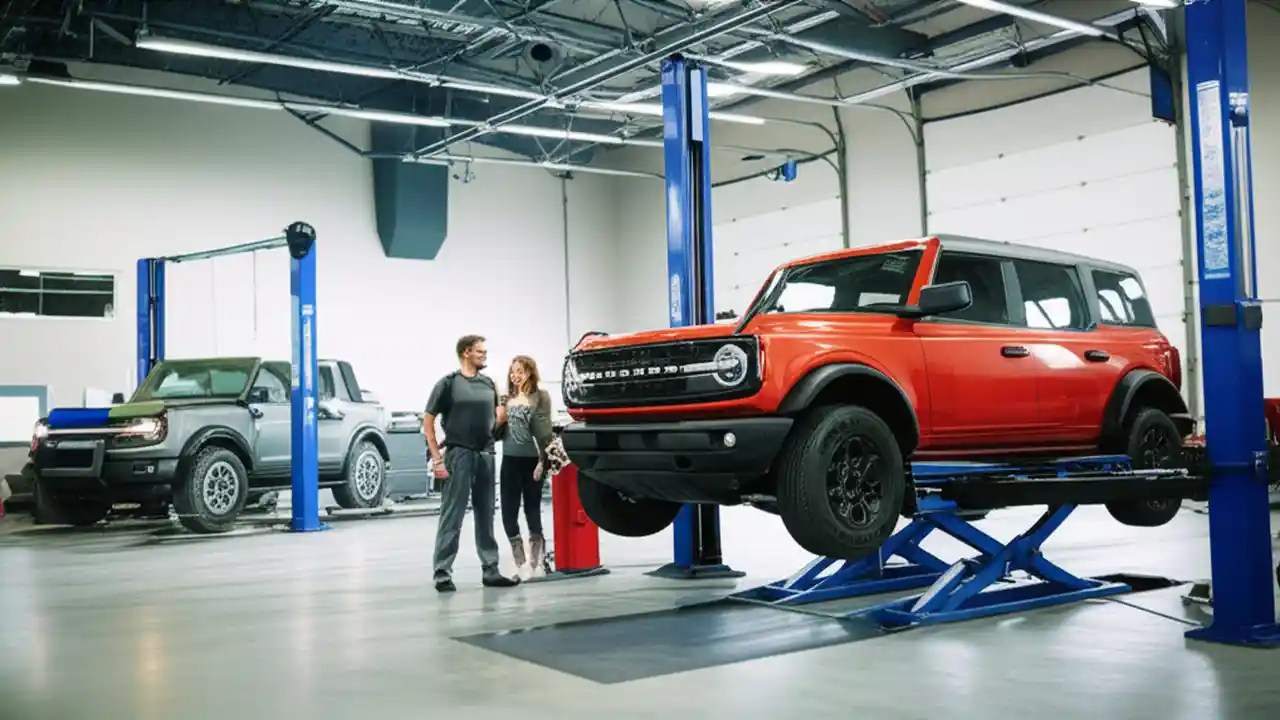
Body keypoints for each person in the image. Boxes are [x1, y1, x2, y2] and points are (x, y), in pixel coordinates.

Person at [423, 335, 520, 592]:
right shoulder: (448, 384)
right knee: (452, 515)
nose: (484, 356)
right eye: (480, 352)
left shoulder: (489, 384)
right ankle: (442, 572)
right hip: (458, 454)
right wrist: (437, 458)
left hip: (485, 455)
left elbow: (495, 421)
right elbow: (428, 421)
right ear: (466, 352)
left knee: (486, 515)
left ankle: (491, 570)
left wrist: (501, 418)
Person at [493, 355, 555, 575]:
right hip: (509, 461)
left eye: (520, 371)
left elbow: (545, 432)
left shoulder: (541, 396)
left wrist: (543, 462)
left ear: (530, 372)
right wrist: (499, 420)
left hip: (531, 461)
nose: (515, 375)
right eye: (513, 371)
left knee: (532, 509)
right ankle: (519, 561)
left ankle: (537, 561)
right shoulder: (505, 399)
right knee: (508, 512)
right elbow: (493, 434)